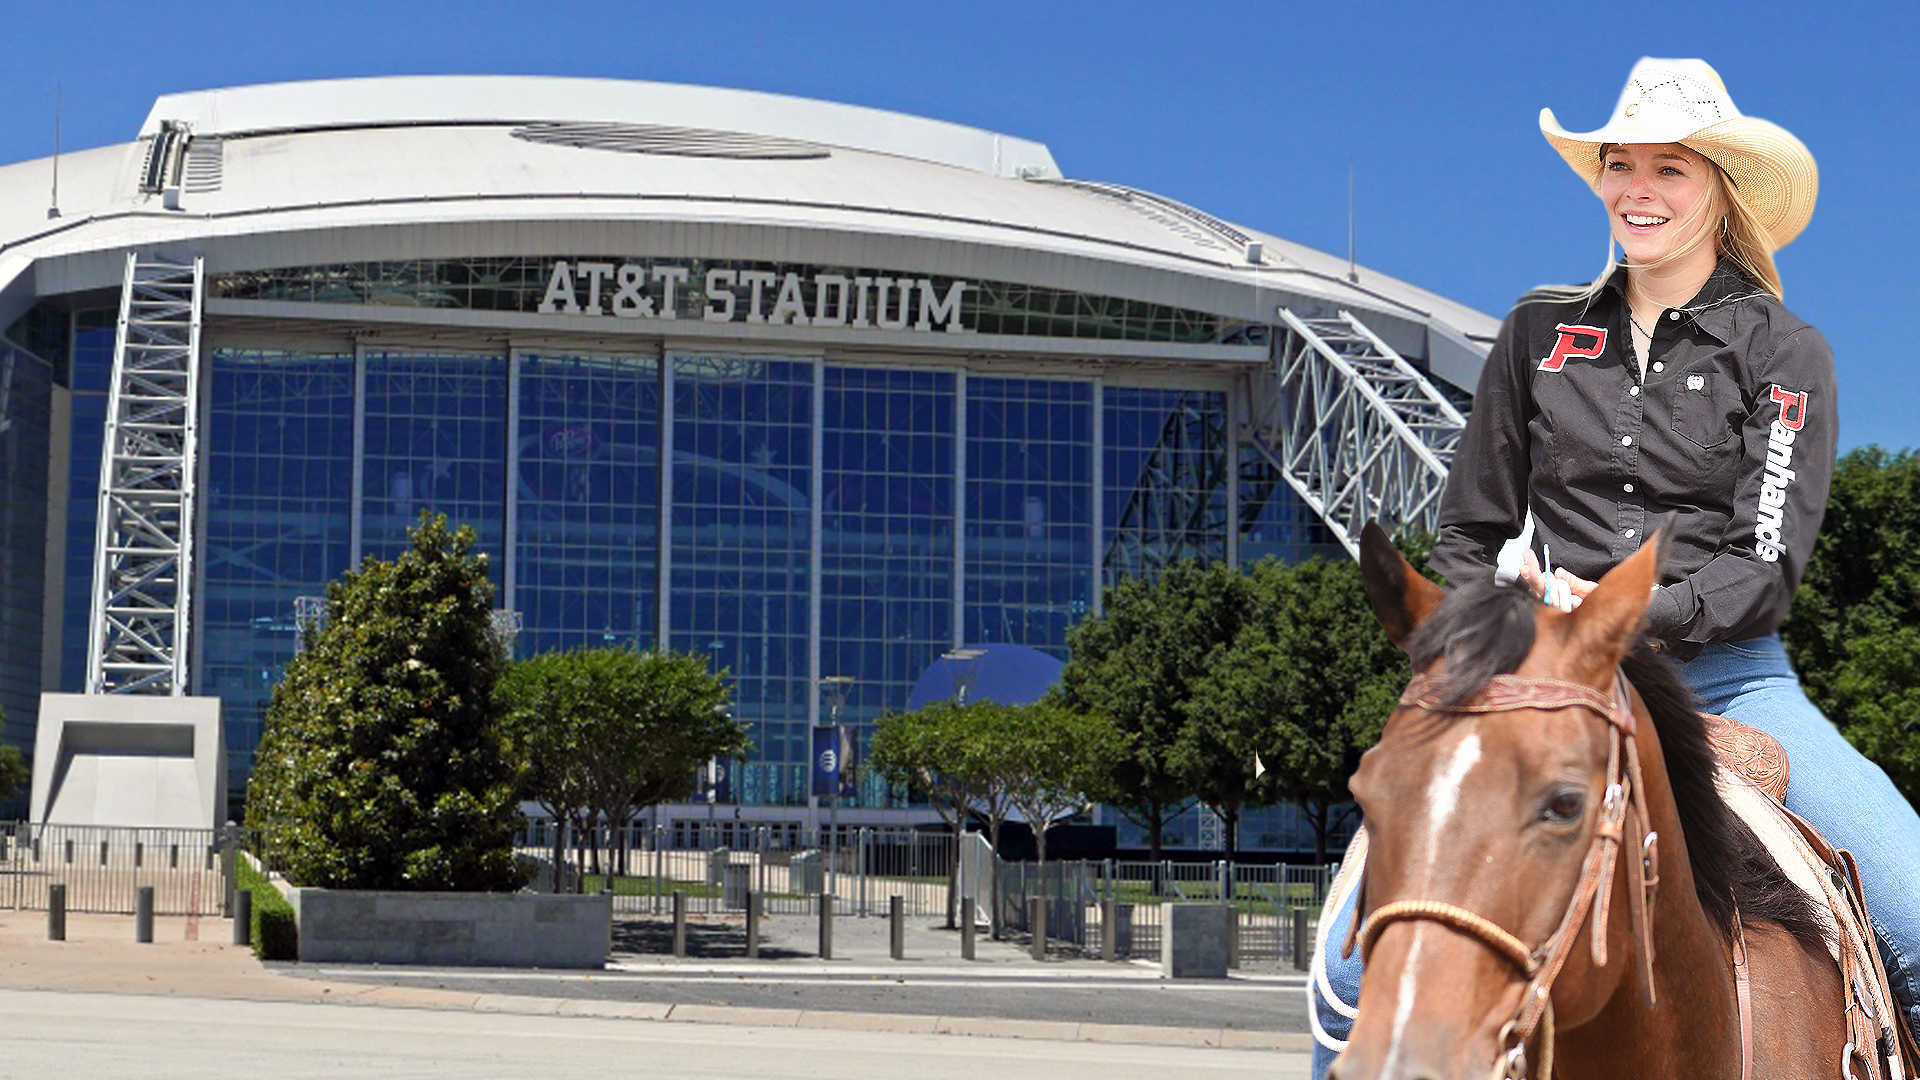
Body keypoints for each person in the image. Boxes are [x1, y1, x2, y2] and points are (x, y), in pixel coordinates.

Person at [1310, 56, 1920, 1076]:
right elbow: (1470, 533)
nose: (1640, 191)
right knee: (1343, 965)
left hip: (1736, 683)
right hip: (1541, 674)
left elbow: (1763, 569)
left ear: (1721, 192)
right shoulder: (1537, 333)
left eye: (1670, 169)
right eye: (1620, 165)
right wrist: (1490, 646)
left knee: (1916, 905)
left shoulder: (1784, 350)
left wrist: (1625, 618)